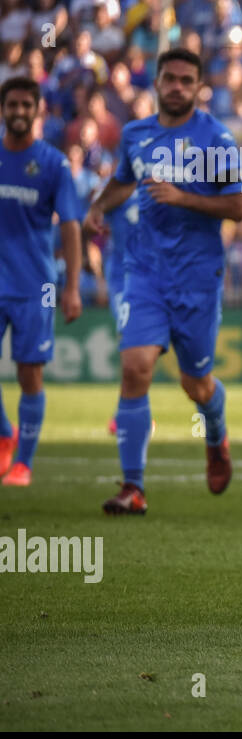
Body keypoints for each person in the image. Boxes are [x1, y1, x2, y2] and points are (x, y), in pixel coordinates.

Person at [84, 48, 242, 515]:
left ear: (198, 87)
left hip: (197, 277)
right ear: (156, 83)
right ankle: (132, 487)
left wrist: (182, 197)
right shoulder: (135, 134)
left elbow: (239, 208)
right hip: (145, 272)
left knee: (196, 384)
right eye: (169, 78)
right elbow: (123, 181)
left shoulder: (219, 139)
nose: (176, 86)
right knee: (135, 366)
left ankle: (215, 432)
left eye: (186, 80)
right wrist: (99, 205)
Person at [0, 77, 83, 486]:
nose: (18, 112)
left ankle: (23, 463)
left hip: (37, 287)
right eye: (11, 105)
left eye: (25, 105)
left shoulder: (53, 164)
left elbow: (70, 226)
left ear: (37, 111)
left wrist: (70, 287)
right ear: (3, 110)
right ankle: (4, 435)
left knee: (28, 375)